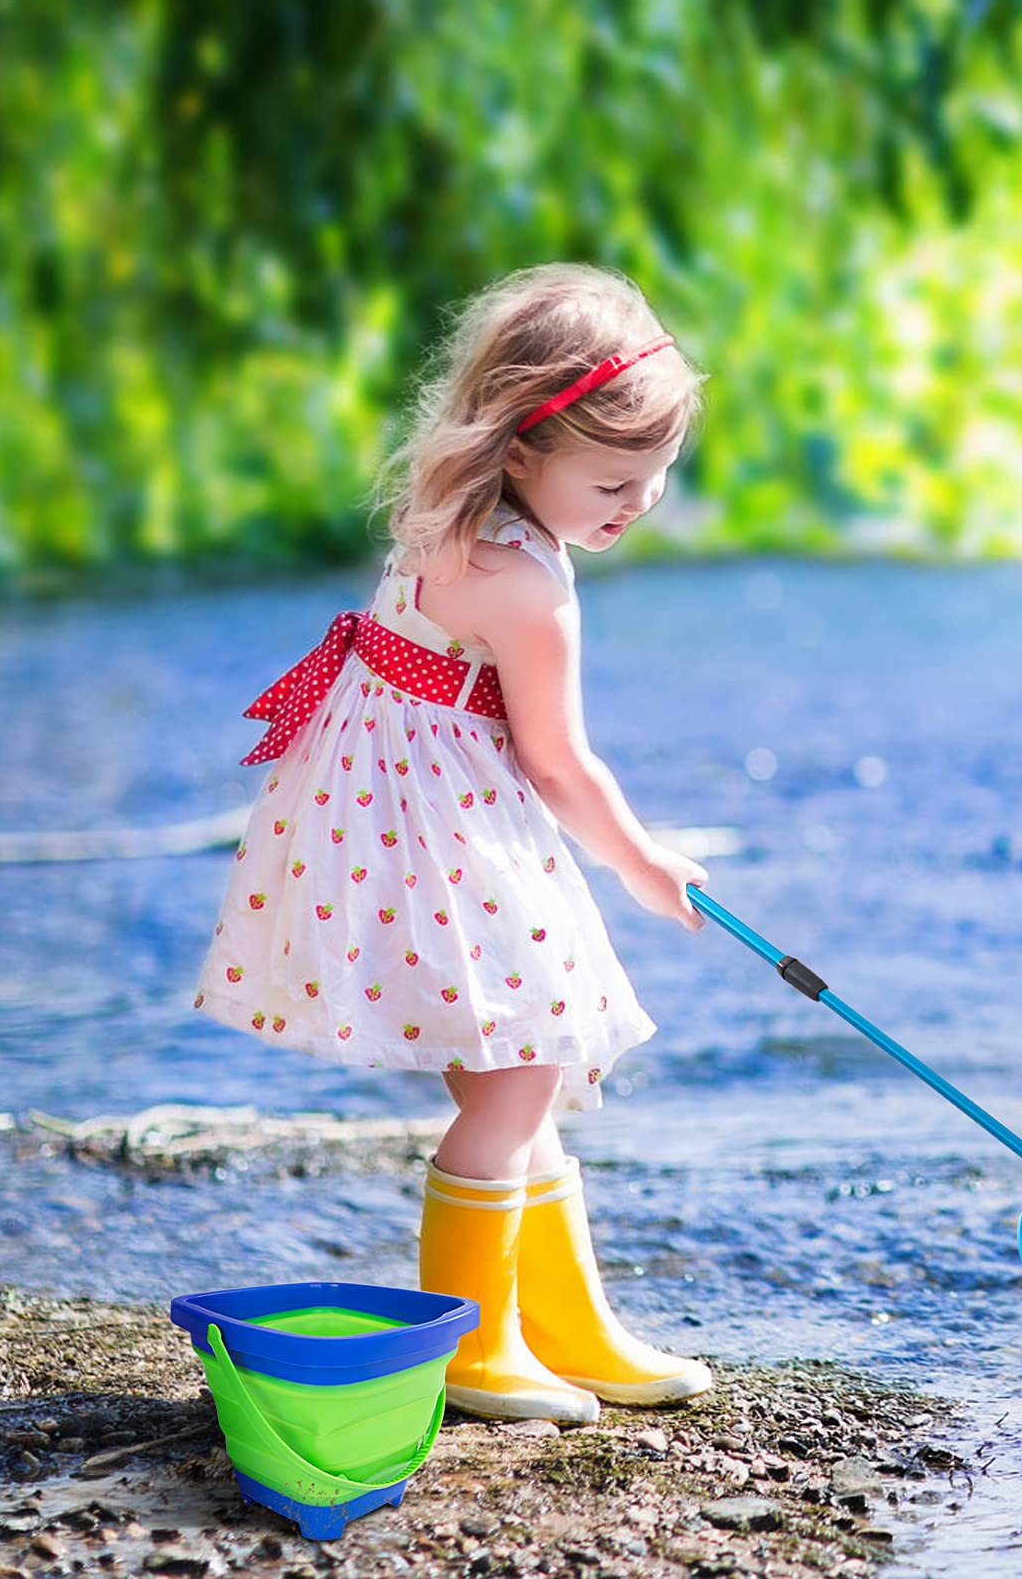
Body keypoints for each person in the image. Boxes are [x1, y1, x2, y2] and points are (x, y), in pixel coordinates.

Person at [192, 263, 712, 1424]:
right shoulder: (526, 583)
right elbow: (560, 762)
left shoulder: (456, 512)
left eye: (658, 473)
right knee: (518, 1077)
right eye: (616, 478)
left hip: (386, 813)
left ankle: (566, 1327)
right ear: (521, 449)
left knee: (516, 1074)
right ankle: (477, 1346)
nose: (642, 501)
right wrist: (643, 864)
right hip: (443, 825)